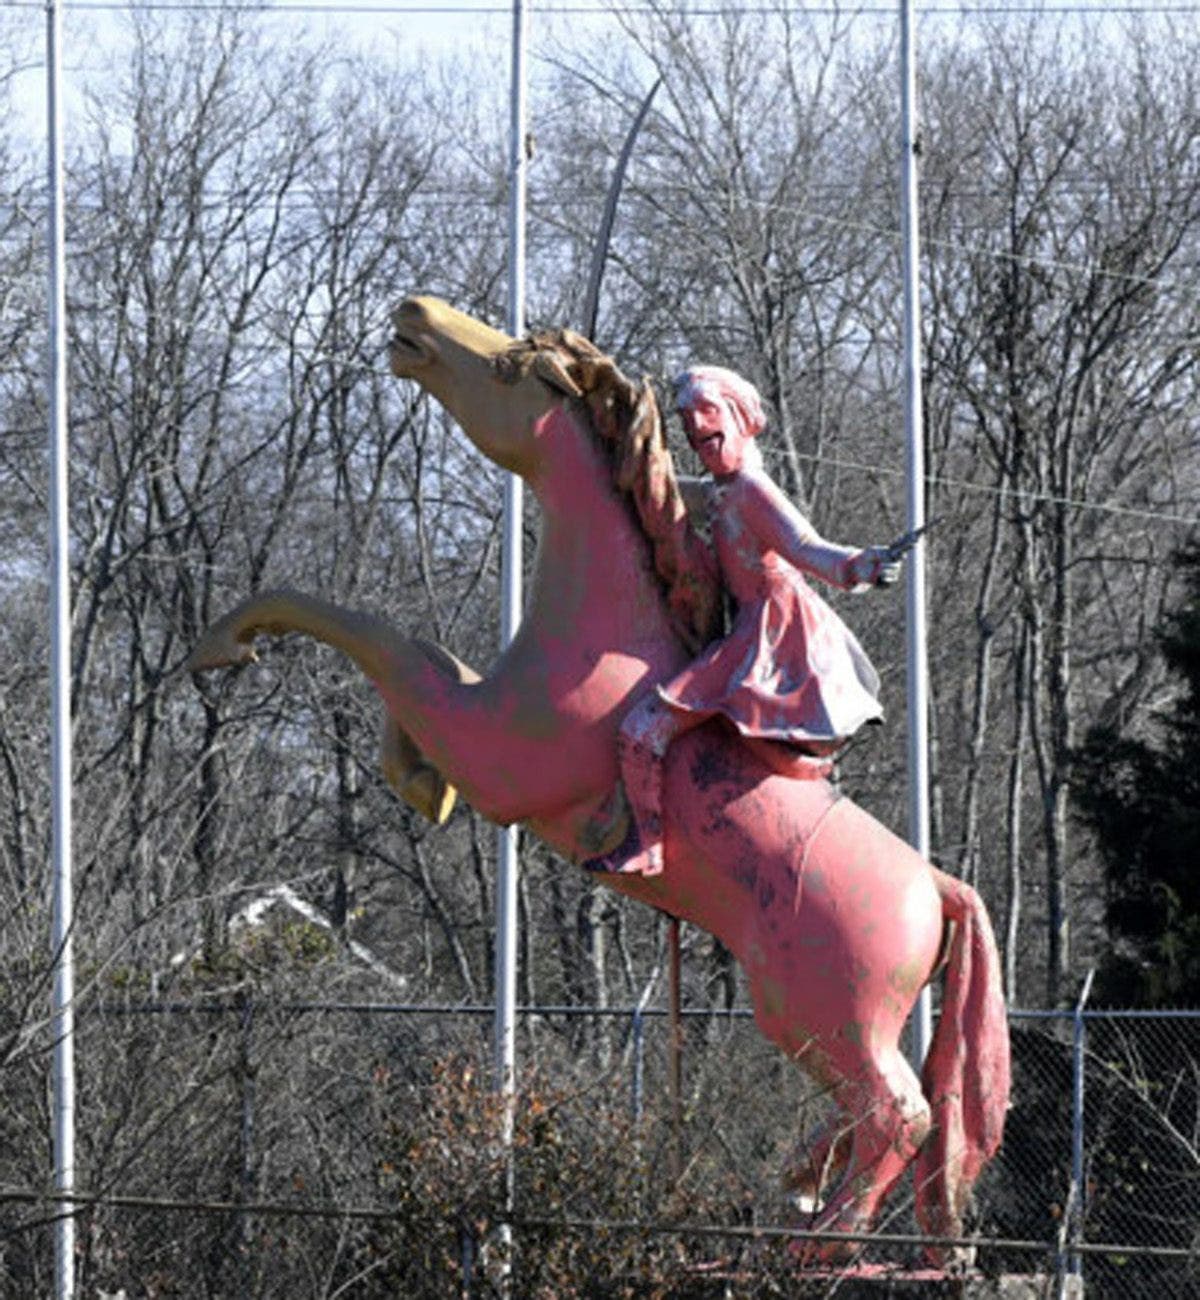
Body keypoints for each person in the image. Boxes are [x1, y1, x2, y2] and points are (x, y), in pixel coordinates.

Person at [594, 364, 914, 878]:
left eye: (708, 412)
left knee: (642, 729)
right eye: (689, 423)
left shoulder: (752, 491)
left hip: (774, 637)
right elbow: (668, 490)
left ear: (740, 417)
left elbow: (807, 547)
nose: (696, 426)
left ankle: (651, 843)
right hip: (745, 630)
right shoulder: (720, 491)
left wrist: (860, 565)